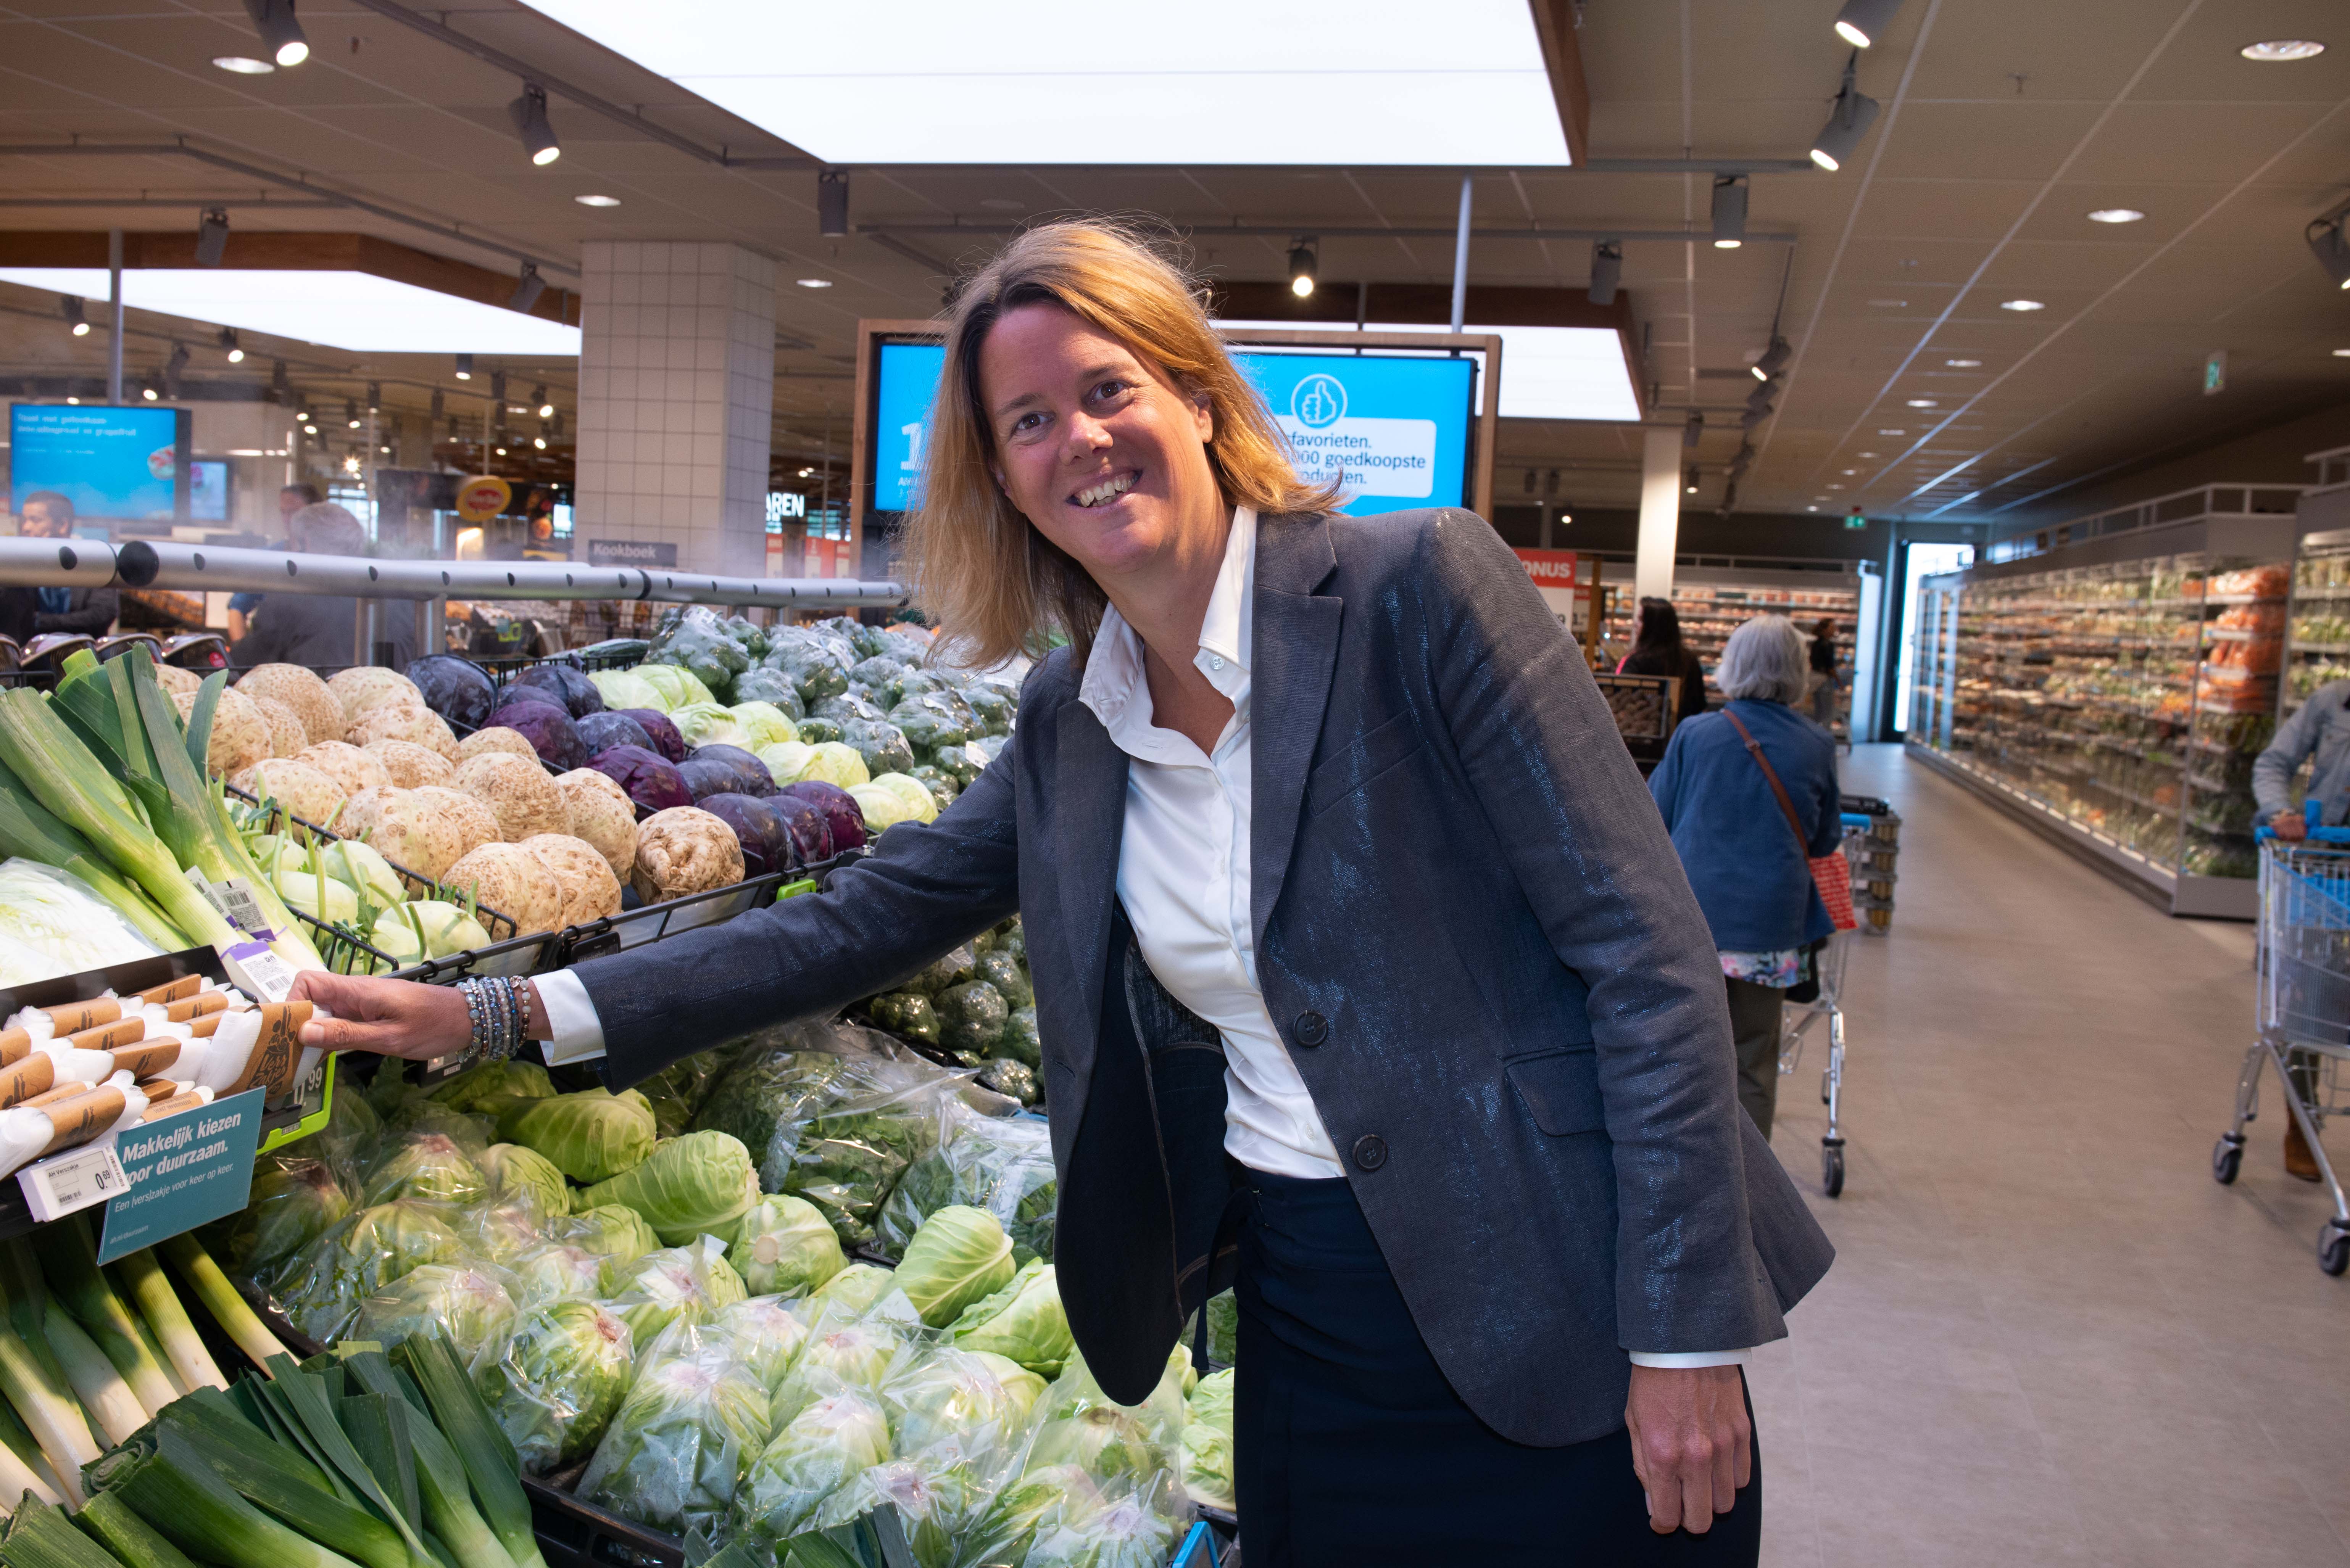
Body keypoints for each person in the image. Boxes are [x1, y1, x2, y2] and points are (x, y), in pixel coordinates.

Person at [288, 221, 1831, 1564]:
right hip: (1305, 1315)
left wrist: (1681, 1330)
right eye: (1028, 422)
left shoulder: (1414, 588)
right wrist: (495, 1010)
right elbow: (858, 920)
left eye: (1108, 389)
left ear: (1197, 398)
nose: (1079, 440)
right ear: (1003, 484)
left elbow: (1644, 956)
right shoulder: (1070, 719)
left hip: (1557, 1287)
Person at [1649, 615, 1842, 1138]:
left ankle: (1685, 1159)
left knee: (1686, 1051)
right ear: (1797, 669)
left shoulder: (1695, 734)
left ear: (1731, 664)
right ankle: (1748, 1175)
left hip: (1696, 921)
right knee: (1753, 1059)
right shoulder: (1815, 744)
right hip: (1769, 927)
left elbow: (1654, 817)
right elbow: (1824, 840)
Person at [2249, 684, 2350, 1181]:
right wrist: (2280, 813)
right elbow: (2273, 762)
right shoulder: (2332, 702)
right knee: (2311, 993)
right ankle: (2302, 1122)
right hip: (2324, 869)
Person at [227, 502, 415, 670]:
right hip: (394, 698)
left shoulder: (289, 601)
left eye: (290, 544)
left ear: (304, 543)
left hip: (316, 698)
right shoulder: (403, 599)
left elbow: (245, 665)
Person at [15, 493, 119, 637]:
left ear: (63, 526)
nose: (26, 527)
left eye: (36, 520)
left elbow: (102, 615)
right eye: (25, 520)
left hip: (83, 649)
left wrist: (40, 621)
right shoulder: (18, 564)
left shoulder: (94, 562)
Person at [229, 483, 322, 641]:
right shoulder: (269, 558)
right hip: (272, 649)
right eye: (284, 512)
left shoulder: (326, 562)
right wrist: (241, 652)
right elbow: (237, 609)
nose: (287, 519)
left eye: (294, 513)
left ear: (314, 515)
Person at [1618, 595, 1709, 727]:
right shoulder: (1690, 660)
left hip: (1644, 732)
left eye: (1641, 620)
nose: (1635, 625)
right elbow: (1699, 706)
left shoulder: (1637, 662)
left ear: (1653, 627)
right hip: (1681, 731)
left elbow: (1622, 702)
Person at [1808, 617, 1839, 726]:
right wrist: (1839, 681)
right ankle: (1824, 732)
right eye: (1832, 627)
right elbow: (1830, 666)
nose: (1834, 630)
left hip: (1815, 678)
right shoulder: (1827, 644)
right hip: (1824, 680)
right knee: (1827, 712)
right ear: (1825, 630)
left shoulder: (1816, 643)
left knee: (1818, 710)